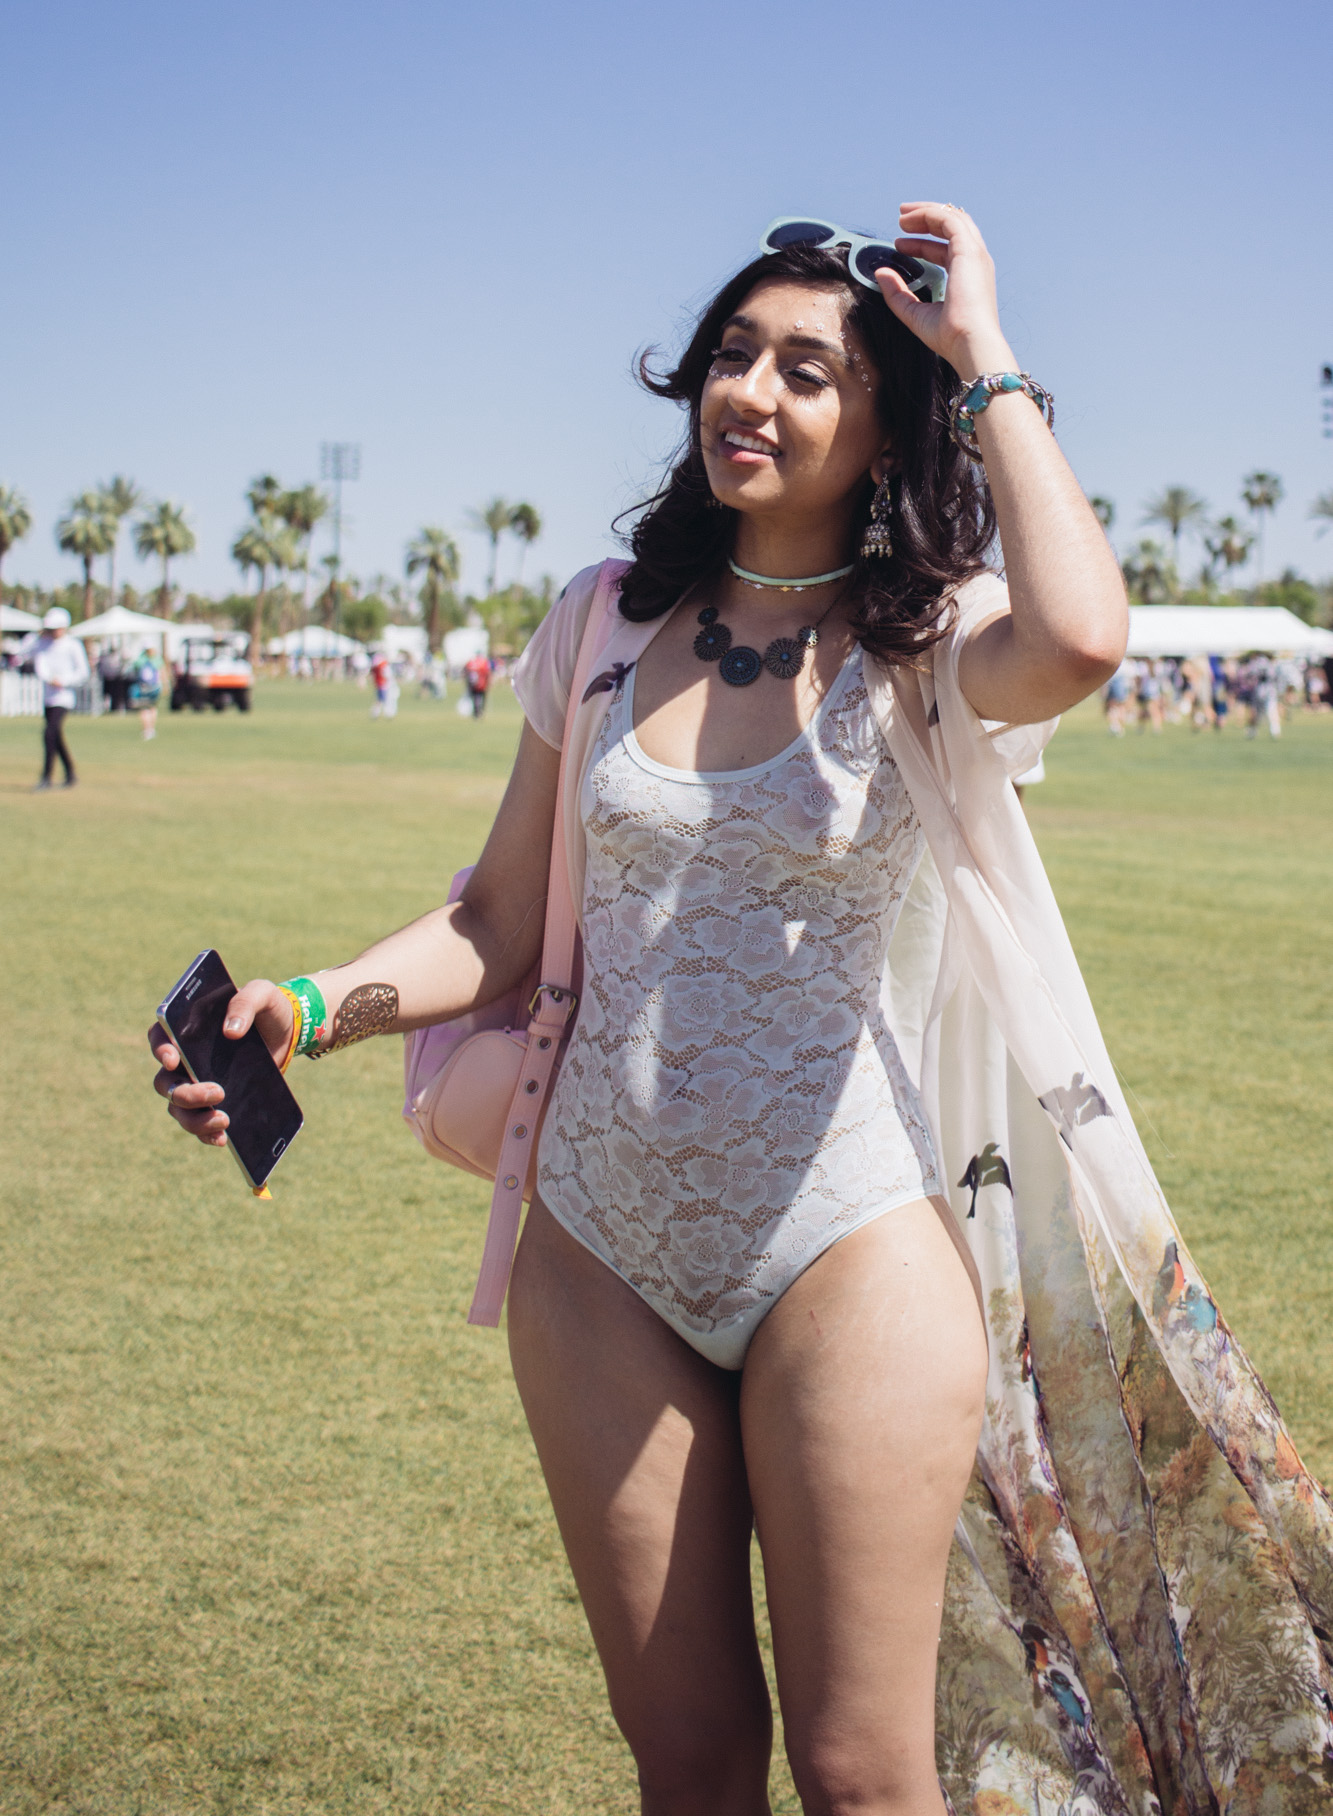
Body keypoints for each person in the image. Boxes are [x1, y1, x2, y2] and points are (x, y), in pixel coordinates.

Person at [149, 206, 1333, 1812]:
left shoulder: (922, 640)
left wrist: (981, 350)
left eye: (806, 371)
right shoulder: (601, 618)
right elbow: (496, 921)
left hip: (847, 1247)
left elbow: (1077, 637)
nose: (749, 392)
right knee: (691, 1758)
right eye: (730, 354)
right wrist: (304, 1005)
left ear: (884, 429)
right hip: (595, 1248)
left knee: (861, 1774)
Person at [33, 606, 90, 790]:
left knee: (49, 734)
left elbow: (83, 672)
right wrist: (49, 679)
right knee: (55, 736)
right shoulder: (43, 643)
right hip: (48, 697)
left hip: (64, 697)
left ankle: (46, 777)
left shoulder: (73, 645)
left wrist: (64, 681)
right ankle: (70, 773)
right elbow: (39, 664)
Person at [127, 645, 163, 739]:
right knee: (152, 708)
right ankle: (151, 728)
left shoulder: (141, 660)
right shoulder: (157, 659)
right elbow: (161, 672)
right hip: (155, 687)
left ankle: (146, 729)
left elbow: (134, 669)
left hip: (143, 687)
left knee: (143, 709)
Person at [463, 650, 491, 718]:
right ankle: (479, 711)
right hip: (482, 684)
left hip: (473, 684)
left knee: (475, 698)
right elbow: (487, 673)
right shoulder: (483, 662)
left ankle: (476, 711)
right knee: (481, 698)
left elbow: (465, 671)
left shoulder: (471, 662)